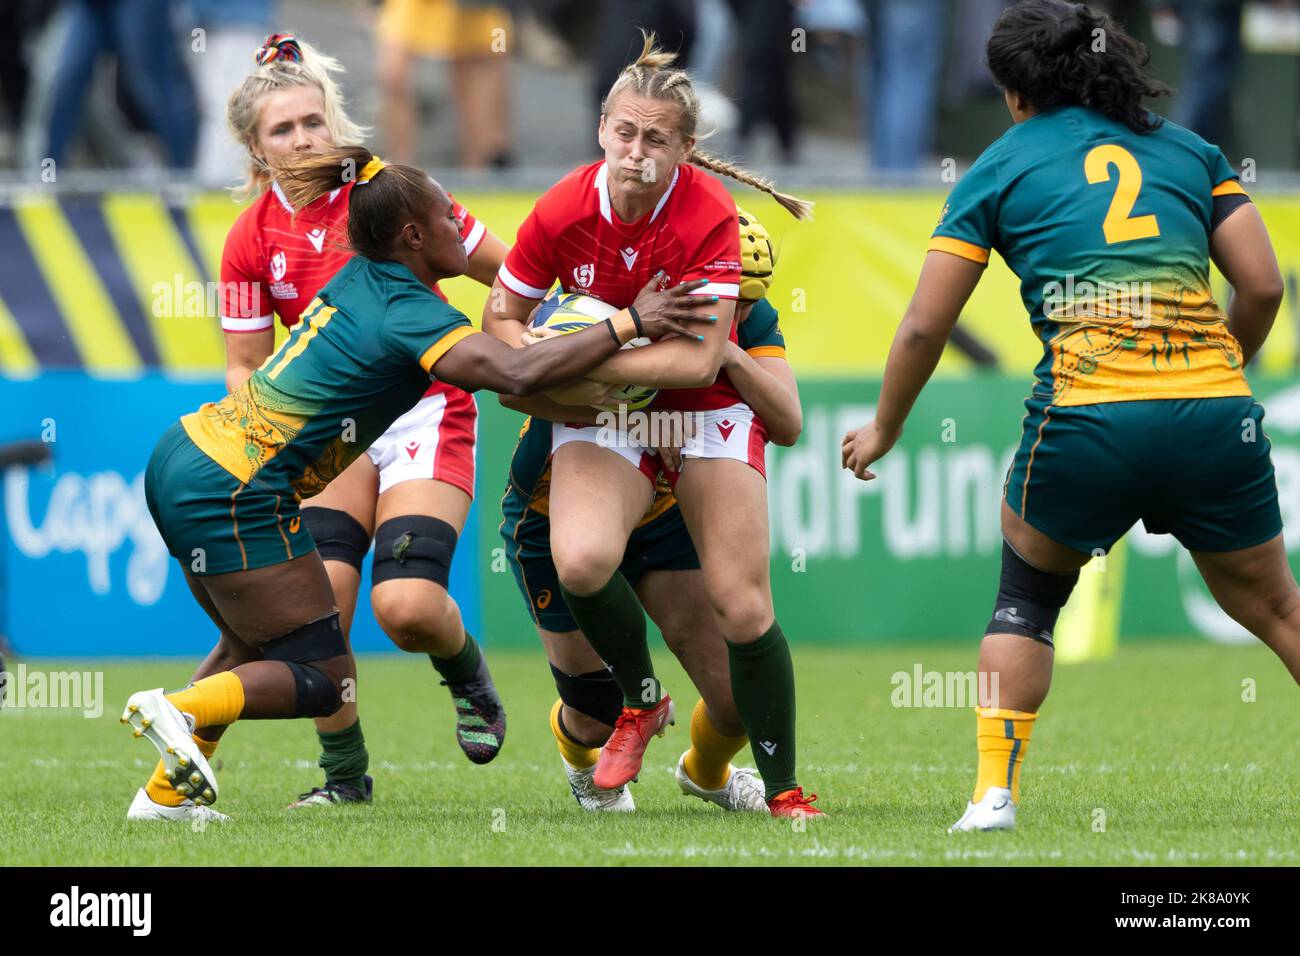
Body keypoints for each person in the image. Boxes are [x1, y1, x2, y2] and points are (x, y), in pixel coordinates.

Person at [124, 144, 718, 816]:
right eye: (448, 218)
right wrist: (630, 322)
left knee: (249, 642)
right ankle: (174, 707)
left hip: (184, 455)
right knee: (323, 681)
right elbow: (518, 375)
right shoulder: (412, 312)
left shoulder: (361, 276)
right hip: (235, 487)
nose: (461, 226)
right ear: (412, 236)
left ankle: (164, 798)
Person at [841, 0, 1296, 832]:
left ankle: (992, 798)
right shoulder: (1190, 150)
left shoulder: (1001, 165)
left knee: (1026, 598)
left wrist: (885, 427)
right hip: (1212, 415)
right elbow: (1264, 286)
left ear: (1016, 91)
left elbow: (922, 325)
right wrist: (1217, 365)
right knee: (1278, 610)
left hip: (1090, 422)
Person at [129, 33, 511, 821]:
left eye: (313, 120)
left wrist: (535, 333)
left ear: (332, 119)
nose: (304, 138)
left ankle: (464, 668)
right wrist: (275, 433)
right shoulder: (248, 239)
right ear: (253, 147)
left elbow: (507, 276)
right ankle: (343, 778)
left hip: (422, 405)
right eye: (282, 129)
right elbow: (245, 367)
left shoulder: (393, 200)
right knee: (313, 611)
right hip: (319, 430)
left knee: (404, 610)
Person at [485, 30, 822, 819]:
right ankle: (636, 699)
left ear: (688, 149)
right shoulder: (565, 206)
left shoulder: (709, 213)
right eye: (626, 133)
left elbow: (698, 366)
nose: (637, 152)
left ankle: (783, 791)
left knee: (745, 608)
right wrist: (569, 350)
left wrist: (578, 359)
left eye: (658, 139)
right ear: (602, 127)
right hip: (606, 415)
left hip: (694, 415)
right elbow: (500, 318)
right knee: (582, 562)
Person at [496, 210, 801, 812]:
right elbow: (514, 388)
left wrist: (730, 357)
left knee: (737, 700)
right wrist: (629, 414)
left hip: (663, 518)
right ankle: (581, 752)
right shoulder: (601, 303)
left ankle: (707, 773)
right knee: (596, 714)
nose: (733, 310)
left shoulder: (746, 312)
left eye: (744, 299)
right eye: (724, 294)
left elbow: (787, 421)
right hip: (554, 510)